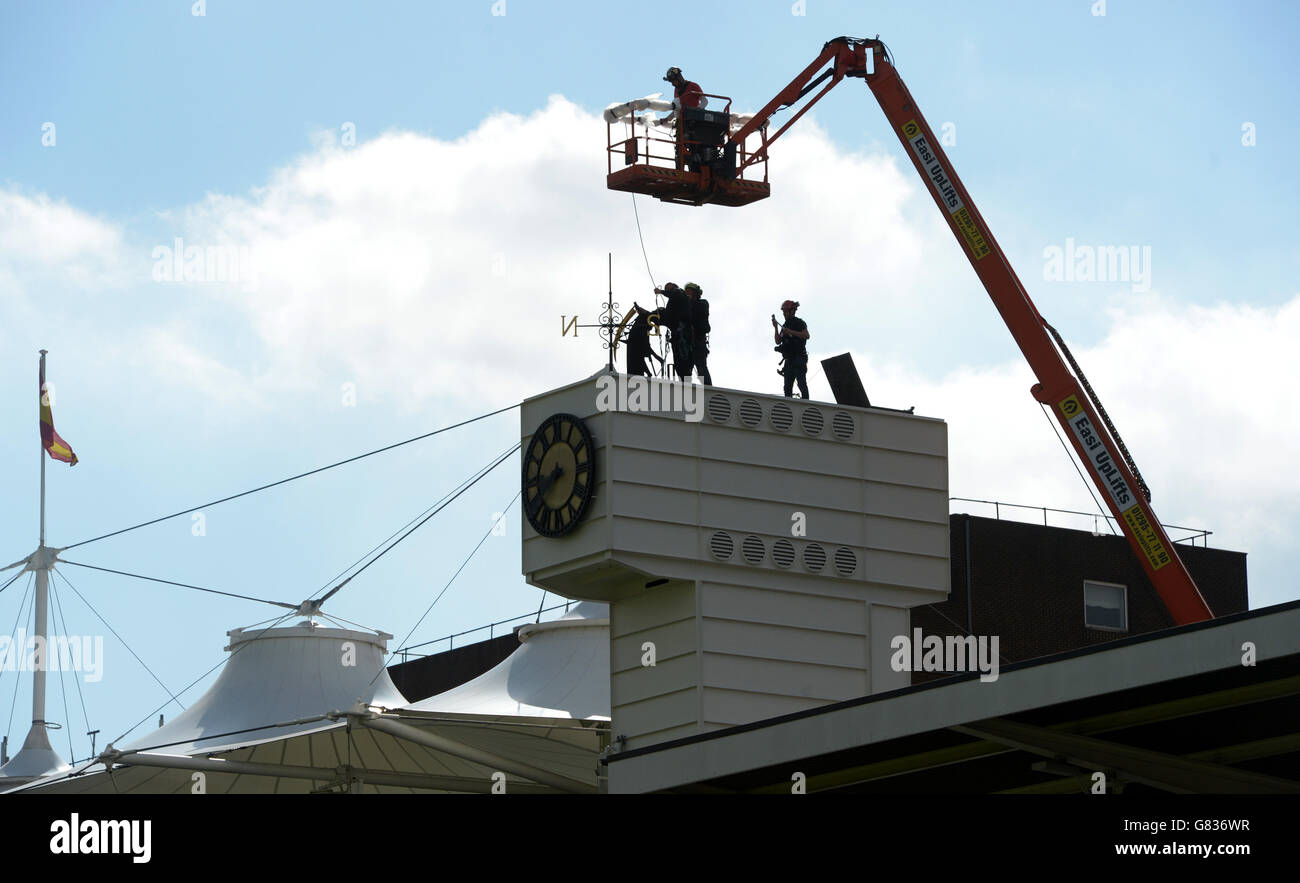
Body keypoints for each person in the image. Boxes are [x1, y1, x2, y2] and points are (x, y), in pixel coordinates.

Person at [662, 67, 706, 170]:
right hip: (682, 122)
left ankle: (695, 164)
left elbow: (705, 102)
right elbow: (677, 109)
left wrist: (695, 111)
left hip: (695, 121)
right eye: (671, 82)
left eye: (674, 81)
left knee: (693, 146)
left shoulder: (693, 86)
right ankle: (680, 169)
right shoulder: (676, 90)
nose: (673, 84)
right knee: (679, 147)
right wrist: (667, 119)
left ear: (680, 77)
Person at [654, 282, 693, 380]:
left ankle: (685, 379)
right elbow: (669, 317)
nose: (666, 288)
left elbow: (673, 294)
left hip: (682, 331)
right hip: (677, 331)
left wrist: (661, 292)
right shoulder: (677, 299)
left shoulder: (678, 292)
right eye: (665, 287)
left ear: (673, 286)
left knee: (682, 358)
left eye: (668, 286)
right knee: (679, 360)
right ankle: (683, 379)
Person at [773, 299, 810, 399]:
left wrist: (791, 332)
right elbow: (778, 341)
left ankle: (806, 404)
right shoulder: (784, 326)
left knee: (802, 384)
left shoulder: (799, 323)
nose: (784, 314)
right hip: (789, 361)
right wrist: (776, 327)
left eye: (786, 311)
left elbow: (806, 335)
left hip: (799, 359)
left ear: (792, 311)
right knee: (787, 388)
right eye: (783, 312)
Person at [624, 303, 664, 377]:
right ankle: (649, 372)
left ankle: (649, 372)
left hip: (637, 339)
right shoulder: (648, 316)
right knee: (638, 358)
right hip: (636, 339)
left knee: (638, 358)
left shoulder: (648, 317)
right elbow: (646, 346)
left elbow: (646, 346)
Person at [685, 282, 712, 385]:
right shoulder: (686, 306)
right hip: (687, 343)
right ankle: (685, 391)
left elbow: (699, 312)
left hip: (698, 342)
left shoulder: (703, 303)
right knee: (686, 370)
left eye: (690, 291)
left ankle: (709, 391)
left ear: (695, 293)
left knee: (701, 368)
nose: (687, 293)